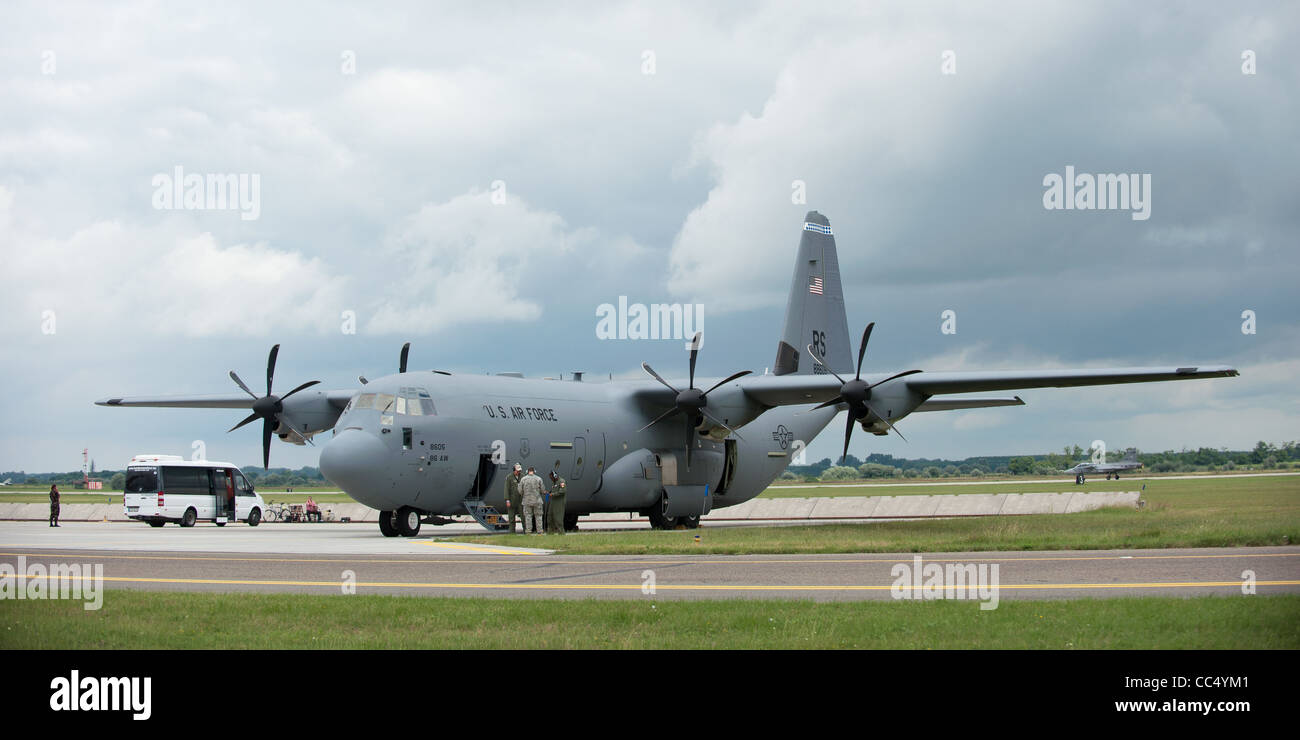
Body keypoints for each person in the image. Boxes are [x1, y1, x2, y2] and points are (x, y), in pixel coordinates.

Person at [518, 466, 546, 535]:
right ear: (534, 471)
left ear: (527, 471)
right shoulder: (539, 479)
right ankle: (540, 532)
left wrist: (524, 495)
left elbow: (520, 491)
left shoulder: (523, 479)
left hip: (527, 501)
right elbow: (543, 490)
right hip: (537, 501)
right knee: (538, 516)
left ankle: (528, 531)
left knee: (528, 516)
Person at [546, 470, 568, 535]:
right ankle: (550, 533)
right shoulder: (554, 482)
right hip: (553, 503)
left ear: (555, 476)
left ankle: (561, 533)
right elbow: (553, 490)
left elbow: (562, 491)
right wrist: (548, 493)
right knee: (550, 518)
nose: (551, 479)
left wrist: (552, 494)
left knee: (558, 519)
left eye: (551, 477)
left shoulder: (561, 482)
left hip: (559, 503)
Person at [504, 463, 524, 532]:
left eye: (519, 471)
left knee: (523, 516)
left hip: (521, 500)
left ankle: (526, 531)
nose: (519, 472)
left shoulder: (523, 477)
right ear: (514, 470)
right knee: (511, 518)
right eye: (517, 471)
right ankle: (512, 532)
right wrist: (507, 500)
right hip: (512, 500)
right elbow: (506, 489)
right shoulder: (509, 477)